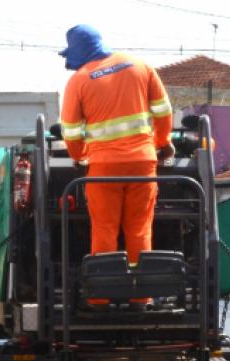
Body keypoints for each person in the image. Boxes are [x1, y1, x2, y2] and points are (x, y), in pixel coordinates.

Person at [59, 24, 174, 264]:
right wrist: (162, 143)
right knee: (140, 229)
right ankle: (140, 296)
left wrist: (80, 156)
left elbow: (70, 132)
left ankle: (102, 298)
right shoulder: (141, 67)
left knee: (104, 230)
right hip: (143, 164)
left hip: (103, 169)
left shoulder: (78, 81)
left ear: (78, 51)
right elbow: (163, 112)